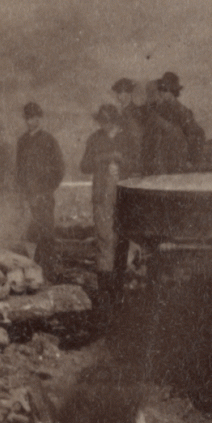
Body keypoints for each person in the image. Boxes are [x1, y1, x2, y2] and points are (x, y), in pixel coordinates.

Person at [80, 104, 126, 310]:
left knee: (121, 241)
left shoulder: (126, 138)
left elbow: (136, 163)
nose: (105, 125)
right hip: (102, 196)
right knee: (104, 240)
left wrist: (121, 160)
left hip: (124, 196)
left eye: (108, 121)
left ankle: (119, 289)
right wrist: (103, 158)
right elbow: (84, 166)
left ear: (115, 121)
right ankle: (105, 291)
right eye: (102, 121)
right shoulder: (95, 138)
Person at [16, 101, 65, 282]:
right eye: (28, 118)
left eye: (34, 118)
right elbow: (19, 170)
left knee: (47, 235)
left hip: (44, 196)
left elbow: (59, 169)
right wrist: (23, 194)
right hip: (29, 197)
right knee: (30, 235)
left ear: (40, 118)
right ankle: (34, 273)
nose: (31, 122)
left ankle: (48, 275)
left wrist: (45, 190)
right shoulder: (22, 141)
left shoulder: (49, 140)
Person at [141, 71, 206, 175]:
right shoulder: (159, 110)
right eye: (161, 90)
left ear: (173, 92)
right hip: (161, 162)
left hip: (176, 163)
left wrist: (191, 160)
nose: (162, 93)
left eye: (166, 90)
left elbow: (197, 134)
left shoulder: (181, 111)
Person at [110, 78, 145, 179]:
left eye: (121, 92)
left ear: (129, 93)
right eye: (118, 93)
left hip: (130, 165)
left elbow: (137, 141)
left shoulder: (134, 113)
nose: (119, 96)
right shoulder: (121, 113)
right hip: (122, 163)